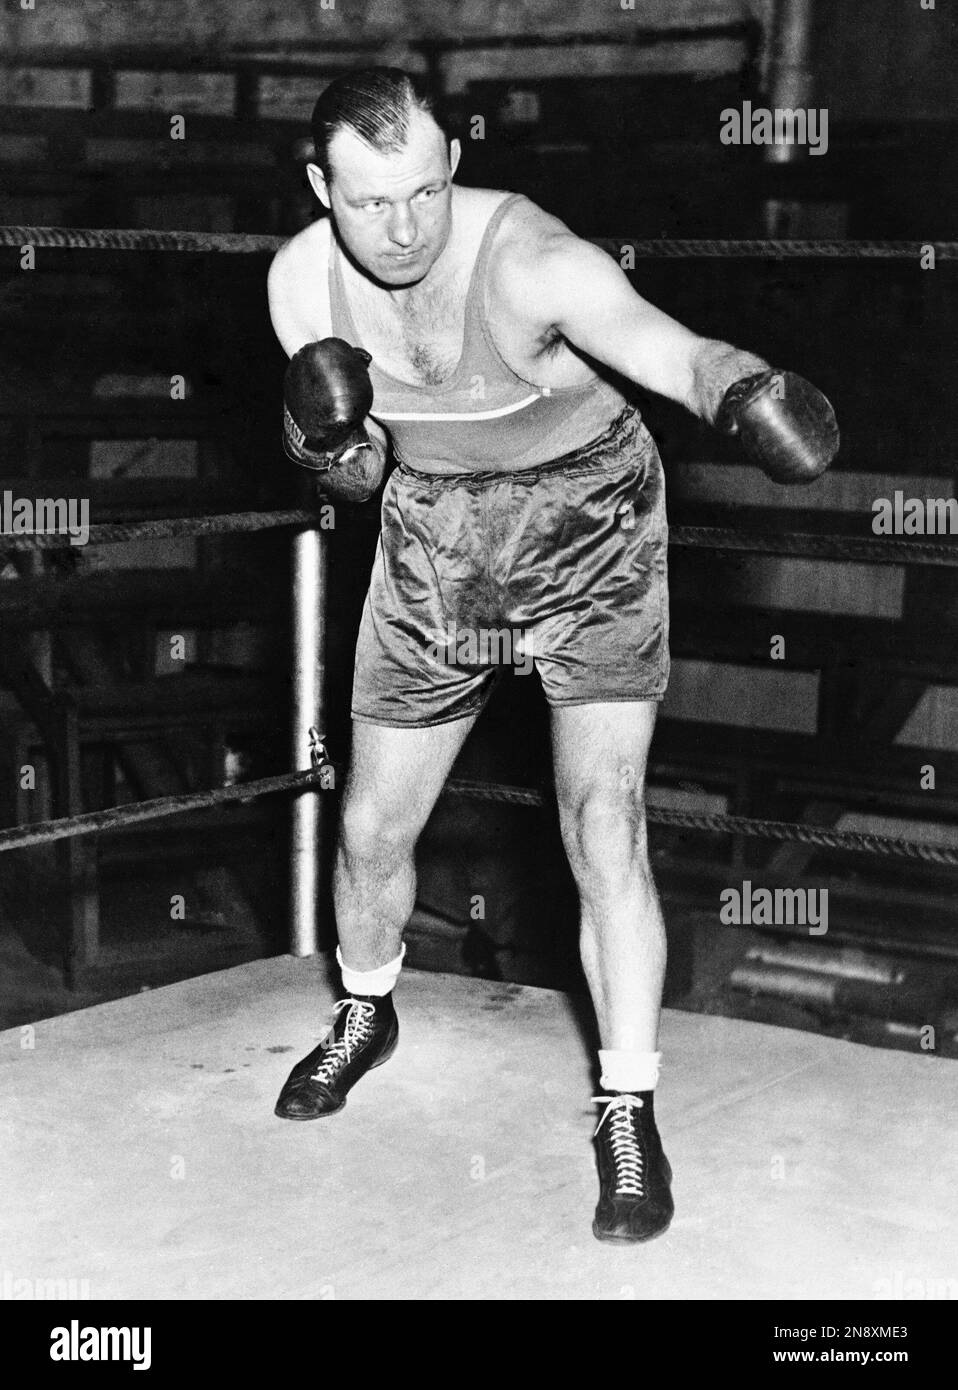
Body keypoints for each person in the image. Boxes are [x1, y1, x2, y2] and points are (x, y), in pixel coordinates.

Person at [267, 67, 838, 1243]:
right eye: (372, 203)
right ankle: (366, 1009)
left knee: (602, 822)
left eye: (426, 190)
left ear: (451, 167)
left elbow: (665, 349)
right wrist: (318, 434)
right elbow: (363, 476)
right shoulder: (300, 285)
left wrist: (744, 391)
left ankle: (625, 1104)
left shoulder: (533, 259)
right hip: (434, 532)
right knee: (372, 827)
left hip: (592, 524)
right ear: (320, 185)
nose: (407, 228)